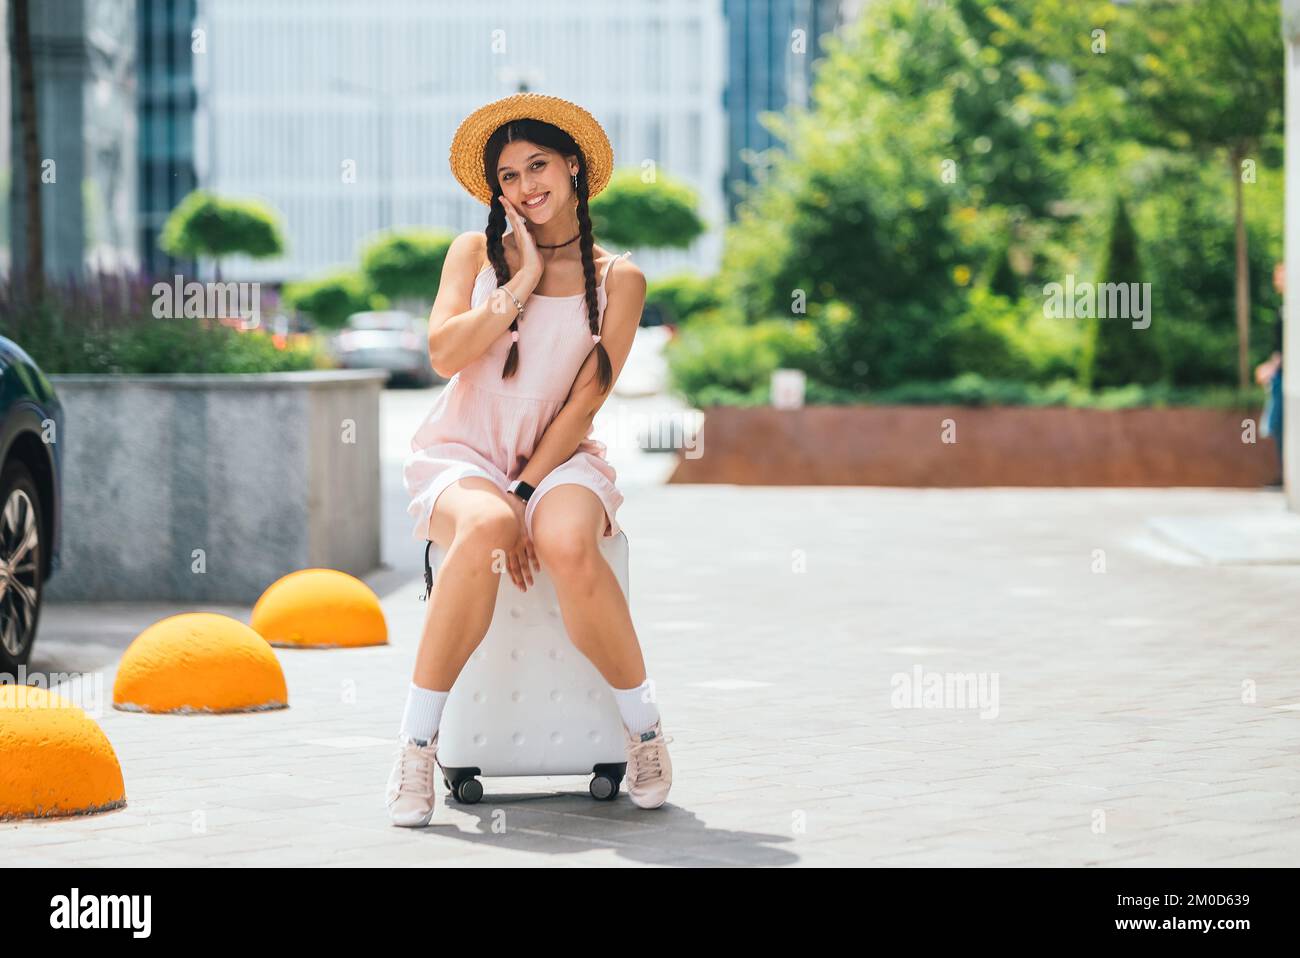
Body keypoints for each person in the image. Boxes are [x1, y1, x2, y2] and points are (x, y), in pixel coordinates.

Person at [385, 93, 673, 826]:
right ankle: (418, 748)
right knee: (482, 530)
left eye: (537, 165)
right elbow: (445, 353)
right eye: (508, 176)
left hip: (559, 455)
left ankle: (643, 730)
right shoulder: (473, 256)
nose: (525, 186)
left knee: (568, 539)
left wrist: (523, 489)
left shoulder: (621, 280)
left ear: (573, 166)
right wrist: (513, 286)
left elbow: (584, 401)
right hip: (463, 450)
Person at [1256, 261, 1284, 483]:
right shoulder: (1284, 310)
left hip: (1286, 377)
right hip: (1281, 375)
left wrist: (1272, 367)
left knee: (1280, 423)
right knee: (1277, 424)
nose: (1277, 280)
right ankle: (1285, 474)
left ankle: (1286, 475)